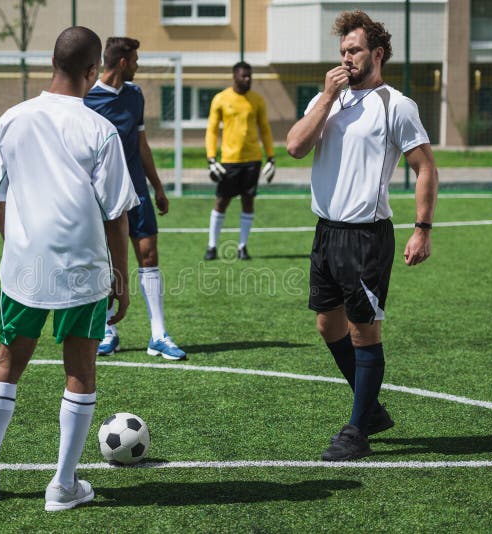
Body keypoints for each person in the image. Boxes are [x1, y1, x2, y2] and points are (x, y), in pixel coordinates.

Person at [0, 26, 139, 511]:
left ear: (51, 65)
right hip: (82, 270)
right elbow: (116, 213)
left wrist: (20, 244)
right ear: (89, 72)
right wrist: (120, 277)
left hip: (24, 269)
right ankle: (62, 486)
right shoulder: (99, 129)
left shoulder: (11, 120)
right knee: (80, 369)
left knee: (7, 361)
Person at [286, 11, 438, 461]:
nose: (346, 58)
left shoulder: (396, 104)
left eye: (353, 50)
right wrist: (327, 98)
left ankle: (356, 430)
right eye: (342, 52)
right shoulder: (326, 99)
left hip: (366, 236)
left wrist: (422, 230)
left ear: (378, 53)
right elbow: (295, 146)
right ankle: (369, 408)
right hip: (325, 233)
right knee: (326, 324)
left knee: (362, 332)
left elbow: (425, 168)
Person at [84, 37, 187, 361]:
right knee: (105, 261)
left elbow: (141, 143)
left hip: (137, 191)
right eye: (136, 59)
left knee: (148, 254)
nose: (139, 65)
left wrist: (157, 186)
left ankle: (158, 334)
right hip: (101, 195)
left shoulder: (135, 94)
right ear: (123, 62)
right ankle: (106, 330)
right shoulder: (86, 99)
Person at [204, 61, 276, 261]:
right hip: (229, 161)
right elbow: (211, 130)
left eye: (250, 76)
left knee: (248, 202)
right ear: (234, 76)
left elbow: (265, 129)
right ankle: (212, 246)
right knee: (221, 202)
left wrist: (271, 156)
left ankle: (242, 247)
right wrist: (211, 158)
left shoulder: (257, 100)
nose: (248, 79)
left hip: (253, 160)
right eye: (244, 76)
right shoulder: (220, 99)